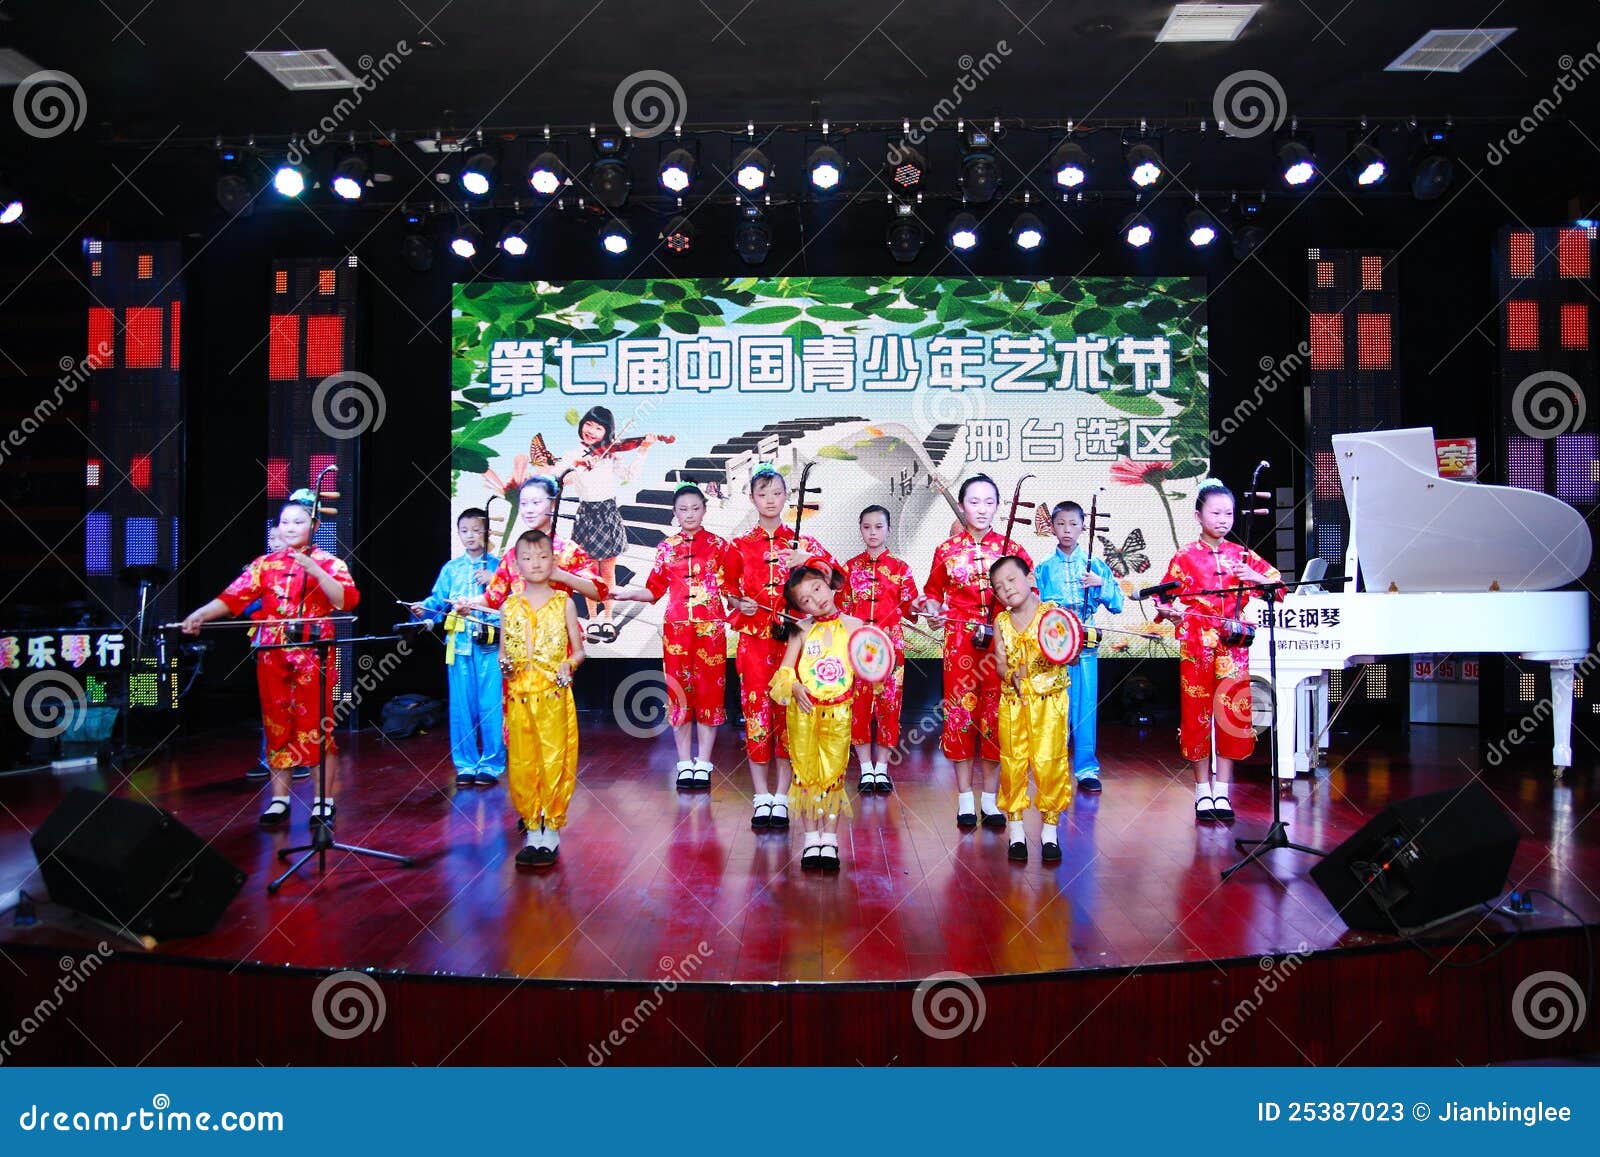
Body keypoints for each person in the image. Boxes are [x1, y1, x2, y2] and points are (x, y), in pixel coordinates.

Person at [181, 489, 359, 830]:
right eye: (284, 523)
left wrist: (315, 570)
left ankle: (323, 801)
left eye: (298, 522)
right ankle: (280, 800)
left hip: (313, 654)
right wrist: (202, 614)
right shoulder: (264, 565)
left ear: (315, 525)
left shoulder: (330, 563)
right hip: (272, 652)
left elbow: (345, 601)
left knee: (318, 727)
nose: (290, 528)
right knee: (277, 724)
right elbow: (233, 597)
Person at [1154, 480, 1283, 822]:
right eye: (1215, 512)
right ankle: (1201, 791)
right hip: (1196, 645)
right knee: (1197, 715)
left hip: (1232, 646)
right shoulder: (1184, 557)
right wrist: (1169, 610)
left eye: (1228, 513)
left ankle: (1223, 791)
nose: (1222, 519)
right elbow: (1164, 597)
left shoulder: (1241, 555)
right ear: (1198, 515)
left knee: (1230, 715)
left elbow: (1278, 587)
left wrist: (1252, 575)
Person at [726, 464, 840, 828]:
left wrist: (805, 561)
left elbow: (838, 580)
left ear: (786, 496)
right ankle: (762, 796)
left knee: (792, 716)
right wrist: (738, 603)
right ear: (751, 498)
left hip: (797, 646)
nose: (770, 500)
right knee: (758, 714)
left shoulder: (803, 543)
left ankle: (783, 794)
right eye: (762, 494)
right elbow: (727, 592)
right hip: (756, 645)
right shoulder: (739, 545)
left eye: (776, 493)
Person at [918, 474, 1032, 830]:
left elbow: (1032, 594)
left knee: (997, 720)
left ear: (998, 507)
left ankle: (991, 799)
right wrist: (933, 611)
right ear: (963, 506)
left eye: (989, 502)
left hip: (1003, 645)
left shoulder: (1012, 549)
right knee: (960, 718)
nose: (982, 510)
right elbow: (933, 592)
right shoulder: (947, 550)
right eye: (974, 502)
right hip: (960, 646)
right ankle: (965, 798)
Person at [611, 484, 732, 790]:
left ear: (704, 509)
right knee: (679, 694)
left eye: (695, 508)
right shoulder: (666, 548)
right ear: (675, 513)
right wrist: (626, 594)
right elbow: (653, 589)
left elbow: (732, 588)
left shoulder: (720, 546)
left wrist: (740, 601)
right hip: (677, 631)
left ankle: (703, 762)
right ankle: (683, 763)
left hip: (711, 630)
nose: (689, 514)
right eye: (683, 509)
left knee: (709, 693)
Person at [499, 530, 585, 869]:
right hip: (519, 696)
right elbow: (503, 656)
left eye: (542, 557)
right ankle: (532, 827)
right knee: (522, 762)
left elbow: (579, 651)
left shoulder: (564, 602)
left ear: (553, 561)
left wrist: (568, 663)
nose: (536, 563)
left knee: (554, 759)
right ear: (517, 564)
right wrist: (505, 665)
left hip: (553, 696)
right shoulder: (509, 605)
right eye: (528, 558)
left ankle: (552, 826)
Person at [768, 560, 859, 872]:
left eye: (818, 589)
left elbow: (873, 665)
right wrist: (793, 686)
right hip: (804, 715)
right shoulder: (801, 630)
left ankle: (830, 840)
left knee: (834, 775)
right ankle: (810, 838)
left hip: (839, 714)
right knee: (805, 776)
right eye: (805, 599)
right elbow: (784, 672)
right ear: (798, 606)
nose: (816, 600)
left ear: (828, 583)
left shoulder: (854, 626)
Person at [410, 507, 505, 788]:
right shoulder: (451, 569)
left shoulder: (498, 566)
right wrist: (423, 610)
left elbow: (511, 600)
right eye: (465, 531)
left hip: (489, 645)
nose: (471, 536)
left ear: (487, 532)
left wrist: (493, 583)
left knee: (491, 707)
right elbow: (437, 601)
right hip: (459, 645)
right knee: (462, 708)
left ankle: (491, 763)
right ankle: (465, 764)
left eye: (477, 530)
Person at [1033, 500, 1123, 795]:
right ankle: (1053, 766)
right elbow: (1036, 605)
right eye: (1061, 524)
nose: (1067, 530)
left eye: (1073, 524)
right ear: (1052, 528)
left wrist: (1101, 584)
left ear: (1084, 527)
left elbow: (1117, 604)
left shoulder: (1095, 564)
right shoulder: (1044, 568)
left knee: (1085, 707)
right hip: (1056, 644)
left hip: (1085, 643)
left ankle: (1086, 768)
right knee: (1056, 706)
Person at [989, 555, 1072, 864]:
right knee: (1012, 764)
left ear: (1029, 576)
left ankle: (1050, 831)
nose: (1007, 589)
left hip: (1049, 701)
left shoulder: (1052, 615)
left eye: (1012, 580)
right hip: (1012, 702)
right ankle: (1016, 831)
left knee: (1050, 762)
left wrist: (1069, 648)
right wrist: (1011, 675)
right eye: (999, 587)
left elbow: (1069, 655)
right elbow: (999, 662)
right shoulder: (1000, 622)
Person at [553, 405, 658, 642]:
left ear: (607, 433)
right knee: (589, 572)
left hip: (608, 512)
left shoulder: (610, 454)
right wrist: (573, 470)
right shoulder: (572, 454)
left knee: (608, 572)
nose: (591, 430)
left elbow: (630, 476)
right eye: (588, 424)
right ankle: (592, 618)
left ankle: (608, 617)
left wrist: (643, 450)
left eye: (598, 427)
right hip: (586, 515)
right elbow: (559, 478)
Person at [839, 505, 919, 793]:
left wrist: (922, 607)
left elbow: (912, 610)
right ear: (860, 529)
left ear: (888, 529)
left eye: (879, 527)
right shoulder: (848, 568)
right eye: (867, 527)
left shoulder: (901, 569)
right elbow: (842, 611)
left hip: (891, 647)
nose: (873, 532)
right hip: (857, 647)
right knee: (858, 705)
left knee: (888, 705)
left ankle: (882, 769)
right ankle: (865, 768)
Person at [475, 474, 608, 617]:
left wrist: (562, 576)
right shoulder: (513, 553)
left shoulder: (567, 550)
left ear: (553, 504)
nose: (529, 510)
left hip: (557, 633)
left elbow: (599, 592)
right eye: (524, 503)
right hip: (521, 635)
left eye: (536, 503)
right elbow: (493, 597)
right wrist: (466, 603)